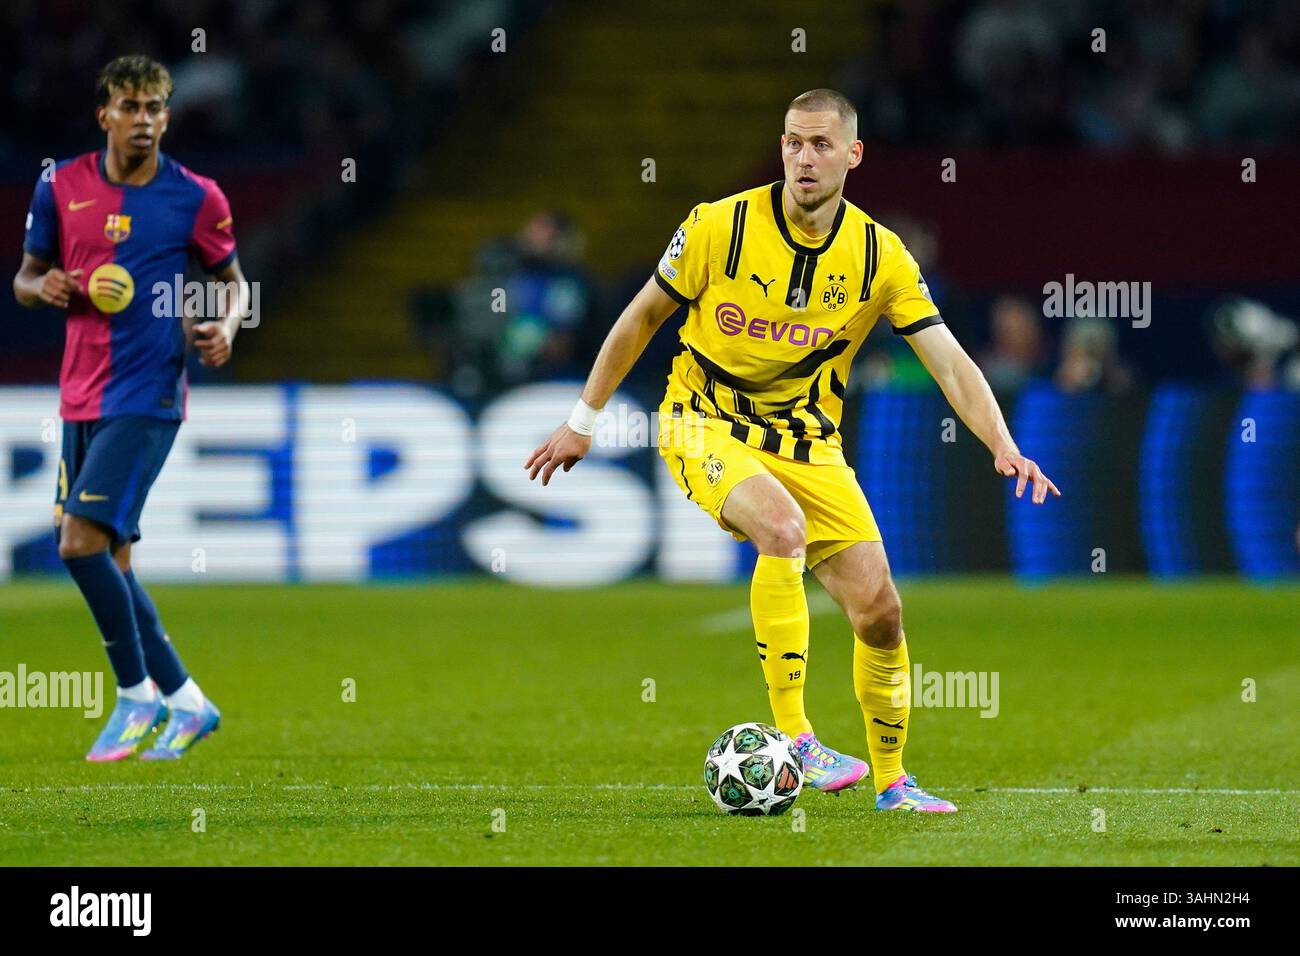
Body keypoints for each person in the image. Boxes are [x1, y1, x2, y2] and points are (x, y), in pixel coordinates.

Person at [525, 89, 1058, 812]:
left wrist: (1003, 443)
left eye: (820, 145)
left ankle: (894, 783)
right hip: (700, 420)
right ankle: (796, 740)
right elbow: (642, 315)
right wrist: (583, 419)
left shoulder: (879, 256)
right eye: (793, 143)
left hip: (808, 441)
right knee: (780, 529)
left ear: (853, 154)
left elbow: (950, 360)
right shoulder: (720, 225)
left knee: (881, 612)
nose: (804, 158)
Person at [11, 55, 248, 760]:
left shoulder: (196, 196)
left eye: (156, 108)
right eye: (130, 107)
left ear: (168, 116)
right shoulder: (62, 184)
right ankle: (187, 702)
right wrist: (43, 286)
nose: (144, 120)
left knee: (77, 544)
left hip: (147, 394)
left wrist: (223, 329)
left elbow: (232, 283)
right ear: (104, 114)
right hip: (79, 394)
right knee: (110, 559)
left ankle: (136, 694)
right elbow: (25, 275)